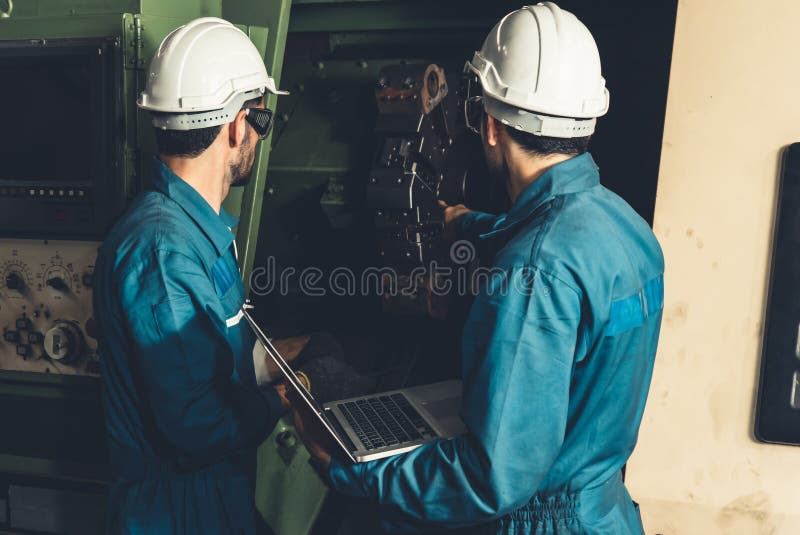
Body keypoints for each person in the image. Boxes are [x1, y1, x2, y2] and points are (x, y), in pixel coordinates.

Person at [292, 3, 664, 534]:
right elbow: (547, 236)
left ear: (489, 127)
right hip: (604, 514)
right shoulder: (628, 230)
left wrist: (351, 473)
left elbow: (492, 480)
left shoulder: (530, 276)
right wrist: (465, 225)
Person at [93, 18, 294, 534]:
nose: (257, 135)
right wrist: (279, 401)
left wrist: (294, 356)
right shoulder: (163, 252)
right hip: (178, 515)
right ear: (235, 125)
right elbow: (197, 427)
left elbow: (210, 356)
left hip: (216, 502)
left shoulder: (192, 232)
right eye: (260, 120)